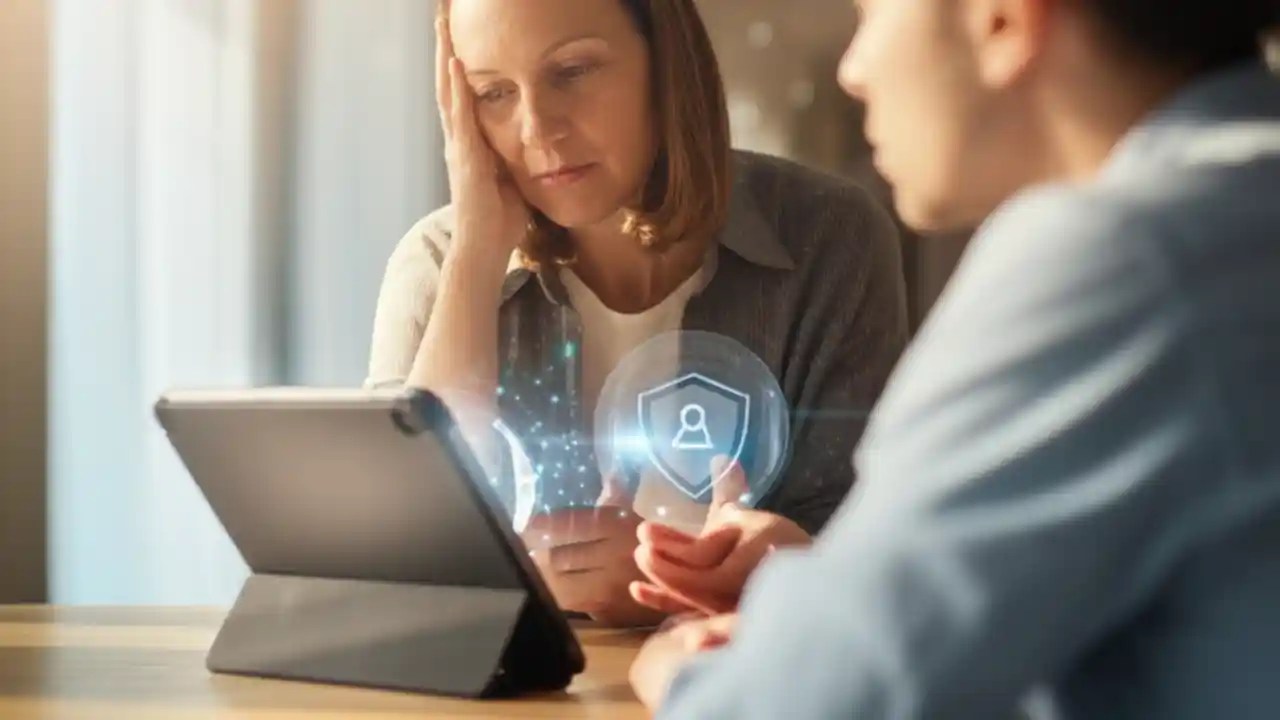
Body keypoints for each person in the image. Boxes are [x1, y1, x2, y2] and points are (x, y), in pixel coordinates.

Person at [630, 0, 1280, 716]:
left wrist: (685, 674)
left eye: (872, 12)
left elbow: (808, 703)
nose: (853, 70)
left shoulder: (1125, 251)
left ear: (1003, 19)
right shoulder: (1240, 207)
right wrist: (824, 591)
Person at [365, 0, 909, 626]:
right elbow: (400, 563)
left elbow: (877, 547)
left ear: (666, 63)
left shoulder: (827, 238)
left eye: (571, 71)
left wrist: (747, 574)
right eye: (492, 93)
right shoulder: (437, 264)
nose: (538, 129)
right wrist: (477, 252)